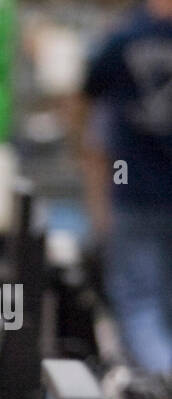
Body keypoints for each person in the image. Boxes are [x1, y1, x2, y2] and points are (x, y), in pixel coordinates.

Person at [77, 0, 172, 375]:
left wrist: (96, 202)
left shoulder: (123, 39)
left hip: (134, 190)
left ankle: (164, 392)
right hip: (136, 193)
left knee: (139, 305)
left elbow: (85, 102)